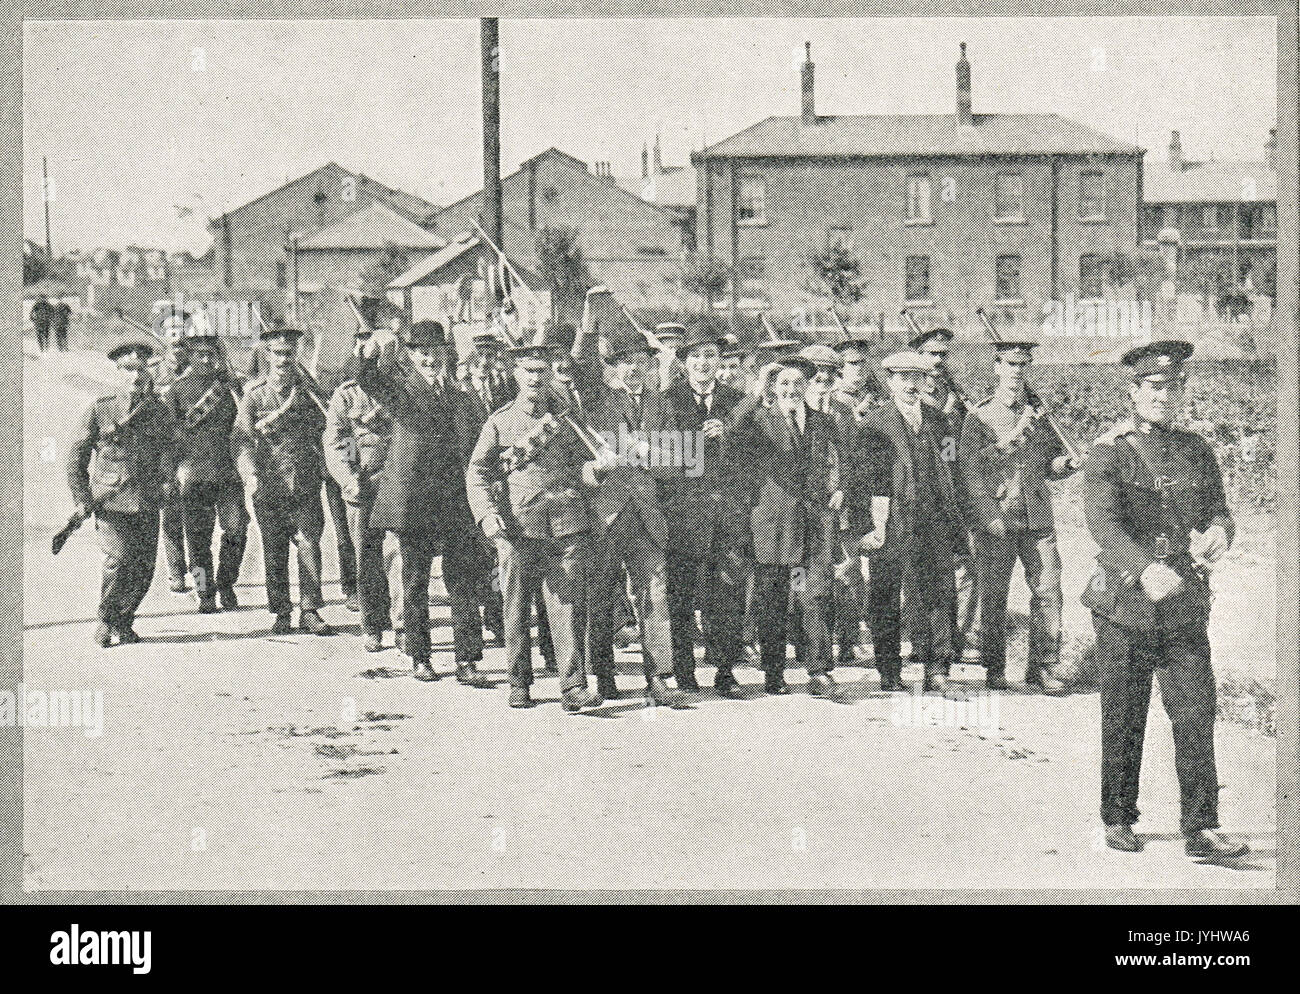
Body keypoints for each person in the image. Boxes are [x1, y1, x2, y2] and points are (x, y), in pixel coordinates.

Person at [1080, 340, 1247, 859]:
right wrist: (1142, 568)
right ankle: (1118, 816)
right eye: (1154, 387)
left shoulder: (1196, 448)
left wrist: (1220, 530)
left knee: (1196, 713)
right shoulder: (1109, 450)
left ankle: (1200, 826)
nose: (1164, 396)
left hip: (1183, 608)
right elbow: (1103, 525)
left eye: (1173, 387)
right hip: (1125, 609)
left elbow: (1218, 508)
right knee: (1125, 715)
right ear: (1133, 392)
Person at [465, 327, 604, 712]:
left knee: (567, 607)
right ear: (515, 373)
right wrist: (487, 518)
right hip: (517, 526)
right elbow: (476, 473)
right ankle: (519, 682)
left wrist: (598, 471)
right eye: (528, 370)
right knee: (515, 605)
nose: (536, 378)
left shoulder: (568, 420)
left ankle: (573, 686)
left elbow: (583, 466)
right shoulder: (499, 422)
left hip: (565, 524)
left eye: (543, 371)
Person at [354, 319, 491, 687]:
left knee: (463, 581)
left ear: (447, 353)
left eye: (436, 351)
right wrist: (369, 355)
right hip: (414, 501)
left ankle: (467, 660)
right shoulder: (403, 391)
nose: (430, 359)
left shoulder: (463, 397)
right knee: (414, 581)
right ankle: (420, 655)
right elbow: (371, 381)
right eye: (422, 353)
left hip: (456, 501)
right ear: (411, 357)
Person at [571, 320, 686, 707]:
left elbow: (685, 460)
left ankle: (659, 678)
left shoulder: (663, 405)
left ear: (649, 366)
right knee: (600, 596)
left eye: (639, 361)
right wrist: (588, 326)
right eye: (623, 362)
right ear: (612, 367)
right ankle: (601, 675)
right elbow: (580, 365)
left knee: (654, 594)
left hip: (648, 516)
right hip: (605, 513)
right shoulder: (598, 399)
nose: (633, 369)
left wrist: (653, 457)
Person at [958, 338, 1079, 690]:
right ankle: (994, 667)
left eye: (1023, 366)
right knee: (994, 594)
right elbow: (973, 469)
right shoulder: (979, 417)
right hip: (998, 517)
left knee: (1048, 589)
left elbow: (1048, 465)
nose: (1017, 373)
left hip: (1036, 516)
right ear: (997, 368)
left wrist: (1067, 464)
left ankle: (1043, 666)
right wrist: (1016, 431)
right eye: (1011, 365)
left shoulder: (1039, 415)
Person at [730, 354, 845, 698]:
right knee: (773, 599)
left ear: (807, 386)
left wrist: (839, 487)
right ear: (773, 387)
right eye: (784, 384)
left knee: (814, 595)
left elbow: (839, 460)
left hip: (815, 521)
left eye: (798, 383)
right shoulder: (759, 419)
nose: (791, 390)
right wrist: (756, 388)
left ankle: (819, 670)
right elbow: (733, 434)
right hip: (774, 523)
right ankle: (774, 671)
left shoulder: (824, 422)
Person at [859, 351, 966, 693]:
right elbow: (868, 479)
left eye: (916, 378)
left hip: (933, 518)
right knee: (886, 595)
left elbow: (952, 468)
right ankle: (889, 669)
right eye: (903, 378)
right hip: (891, 520)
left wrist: (956, 517)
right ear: (891, 382)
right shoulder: (874, 423)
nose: (910, 385)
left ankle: (938, 668)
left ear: (924, 382)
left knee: (939, 594)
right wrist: (872, 526)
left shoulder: (940, 421)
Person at [67, 335, 177, 646]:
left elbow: (171, 448)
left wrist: (168, 478)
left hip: (147, 498)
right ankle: (105, 617)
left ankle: (125, 618)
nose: (136, 376)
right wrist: (81, 499)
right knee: (119, 558)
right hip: (111, 499)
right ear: (116, 373)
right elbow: (76, 455)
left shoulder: (159, 411)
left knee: (144, 567)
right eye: (128, 370)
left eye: (141, 369)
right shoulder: (100, 409)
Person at [661, 321, 751, 698]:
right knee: (680, 596)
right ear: (685, 363)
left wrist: (728, 435)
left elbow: (752, 457)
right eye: (695, 356)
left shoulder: (737, 401)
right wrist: (698, 443)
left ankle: (726, 670)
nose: (703, 363)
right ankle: (684, 672)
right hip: (684, 513)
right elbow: (663, 457)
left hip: (727, 515)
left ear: (719, 361)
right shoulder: (668, 399)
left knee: (727, 594)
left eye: (709, 356)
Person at [231, 325, 335, 637]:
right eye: (277, 353)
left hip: (304, 483)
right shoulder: (255, 395)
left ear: (297, 355)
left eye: (289, 354)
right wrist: (249, 474)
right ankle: (281, 611)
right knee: (274, 550)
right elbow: (240, 438)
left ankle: (310, 609)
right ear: (267, 355)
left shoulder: (310, 395)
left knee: (308, 544)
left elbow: (329, 432)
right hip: (269, 487)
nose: (283, 360)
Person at [159, 324, 247, 614]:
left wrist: (236, 387)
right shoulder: (176, 392)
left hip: (226, 471)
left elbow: (246, 425)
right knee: (197, 540)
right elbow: (169, 439)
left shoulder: (231, 388)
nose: (207, 361)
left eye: (212, 355)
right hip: (192, 475)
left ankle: (226, 582)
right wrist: (169, 476)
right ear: (190, 356)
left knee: (237, 529)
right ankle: (203, 590)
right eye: (201, 355)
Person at [324, 320, 395, 653]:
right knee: (366, 557)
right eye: (365, 350)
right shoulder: (346, 394)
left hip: (398, 485)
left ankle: (404, 623)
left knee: (401, 557)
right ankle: (373, 625)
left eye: (379, 352)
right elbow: (337, 443)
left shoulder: (402, 388)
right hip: (362, 485)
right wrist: (349, 478)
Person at [911, 325, 980, 664]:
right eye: (931, 355)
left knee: (964, 567)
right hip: (921, 492)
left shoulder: (955, 396)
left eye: (943, 355)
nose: (938, 361)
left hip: (955, 490)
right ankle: (922, 642)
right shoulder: (910, 398)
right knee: (920, 572)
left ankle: (954, 639)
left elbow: (964, 446)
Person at [152, 307, 193, 595]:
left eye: (182, 332)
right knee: (172, 514)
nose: (177, 338)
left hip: (197, 451)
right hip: (166, 451)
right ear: (164, 337)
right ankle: (177, 570)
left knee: (200, 521)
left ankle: (203, 576)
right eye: (171, 333)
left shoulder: (202, 367)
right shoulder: (154, 372)